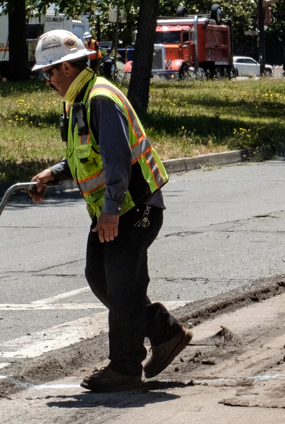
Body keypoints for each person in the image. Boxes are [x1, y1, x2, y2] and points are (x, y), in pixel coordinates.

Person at [27, 29, 192, 392]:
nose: (47, 80)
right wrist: (53, 174)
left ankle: (125, 368)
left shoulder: (99, 98)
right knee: (101, 277)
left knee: (121, 286)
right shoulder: (79, 99)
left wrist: (111, 211)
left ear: (68, 67)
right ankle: (164, 332)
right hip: (115, 207)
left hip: (133, 206)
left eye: (49, 72)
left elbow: (117, 162)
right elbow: (88, 157)